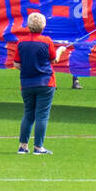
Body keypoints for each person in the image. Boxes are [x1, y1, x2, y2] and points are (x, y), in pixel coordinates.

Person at [14, 12, 63, 155]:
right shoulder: (46, 41)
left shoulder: (21, 42)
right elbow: (54, 60)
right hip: (45, 83)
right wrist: (61, 50)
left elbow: (17, 64)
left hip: (27, 83)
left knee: (28, 114)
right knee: (42, 115)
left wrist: (29, 66)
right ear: (43, 26)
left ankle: (23, 146)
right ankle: (38, 147)